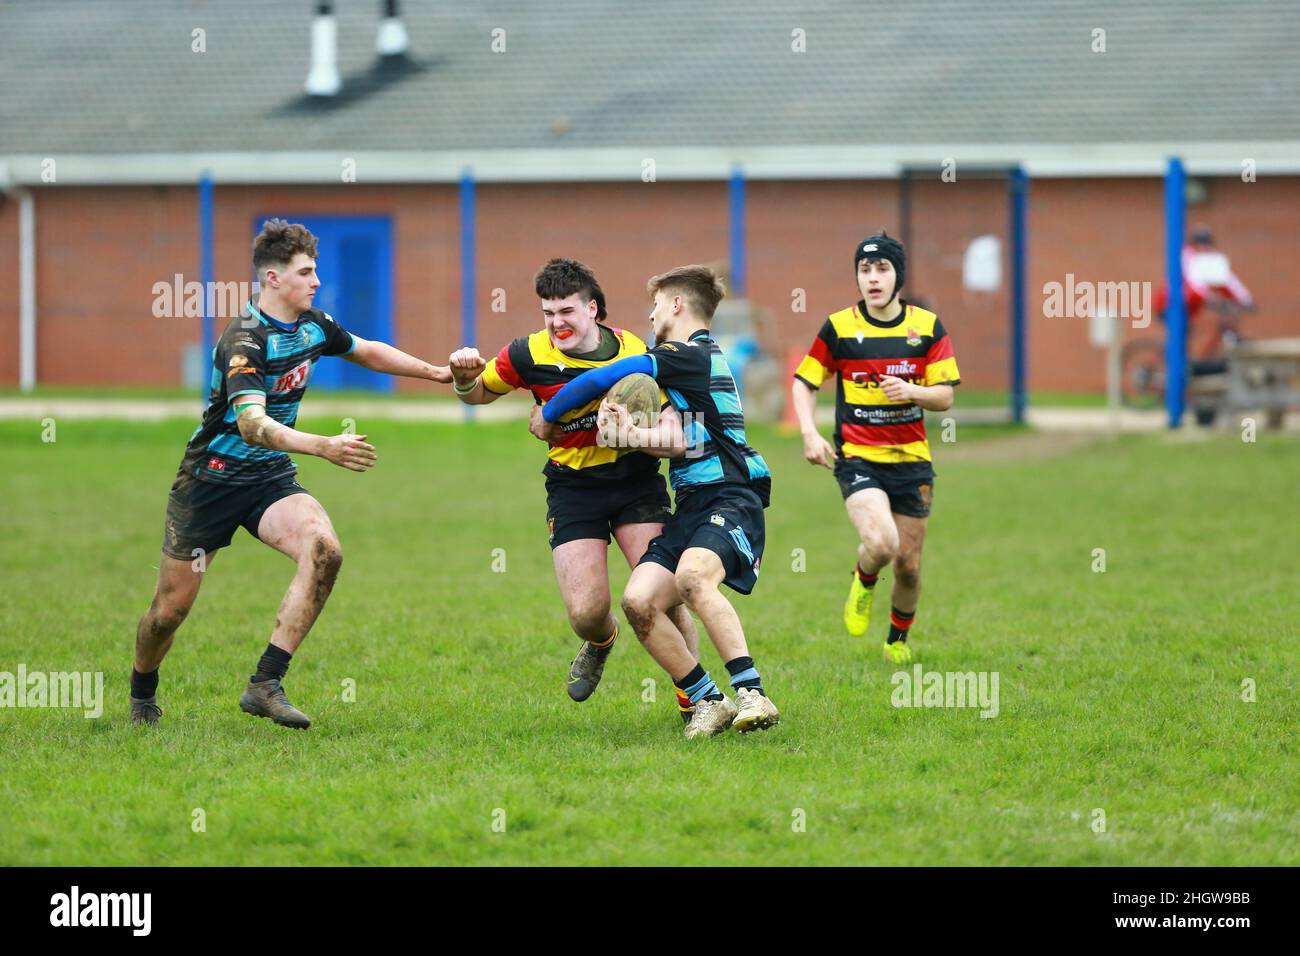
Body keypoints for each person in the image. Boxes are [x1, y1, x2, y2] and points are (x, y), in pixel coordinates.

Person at [130, 219, 454, 728]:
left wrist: (435, 372)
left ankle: (265, 683)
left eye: (316, 270)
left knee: (324, 550)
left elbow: (364, 349)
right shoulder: (244, 341)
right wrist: (322, 446)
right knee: (169, 611)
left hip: (269, 480)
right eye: (306, 272)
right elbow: (253, 424)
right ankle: (142, 692)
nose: (317, 281)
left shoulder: (313, 325)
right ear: (273, 279)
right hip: (210, 483)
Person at [447, 258, 701, 718]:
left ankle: (696, 700)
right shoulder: (527, 354)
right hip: (573, 487)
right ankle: (601, 641)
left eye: (566, 311)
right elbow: (478, 393)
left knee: (664, 595)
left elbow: (670, 420)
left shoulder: (633, 350)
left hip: (634, 481)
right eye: (548, 312)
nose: (557, 322)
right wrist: (464, 379)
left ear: (593, 309)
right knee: (586, 612)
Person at [540, 265, 778, 740]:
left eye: (654, 304)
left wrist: (548, 414)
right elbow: (686, 438)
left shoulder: (685, 354)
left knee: (692, 578)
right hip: (692, 504)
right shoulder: (689, 371)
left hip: (730, 496)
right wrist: (629, 432)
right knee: (639, 601)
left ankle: (752, 691)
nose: (649, 315)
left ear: (675, 305)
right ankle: (708, 699)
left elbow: (605, 376)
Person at [789, 233, 960, 665]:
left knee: (909, 565)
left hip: (912, 461)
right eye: (865, 270)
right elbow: (804, 382)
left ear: (897, 275)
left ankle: (896, 643)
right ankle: (864, 580)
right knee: (883, 544)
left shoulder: (926, 326)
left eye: (882, 268)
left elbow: (945, 396)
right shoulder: (840, 328)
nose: (873, 278)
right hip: (858, 457)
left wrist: (911, 391)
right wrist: (809, 432)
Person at [1154, 226, 1254, 360]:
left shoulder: (1208, 260)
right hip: (1168, 304)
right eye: (1201, 244)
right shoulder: (1186, 256)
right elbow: (1193, 281)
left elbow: (1226, 280)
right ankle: (1171, 366)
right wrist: (1208, 297)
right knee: (1180, 333)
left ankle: (1184, 364)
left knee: (1189, 332)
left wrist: (1245, 298)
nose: (1205, 248)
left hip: (1189, 308)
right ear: (1194, 245)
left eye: (1207, 245)